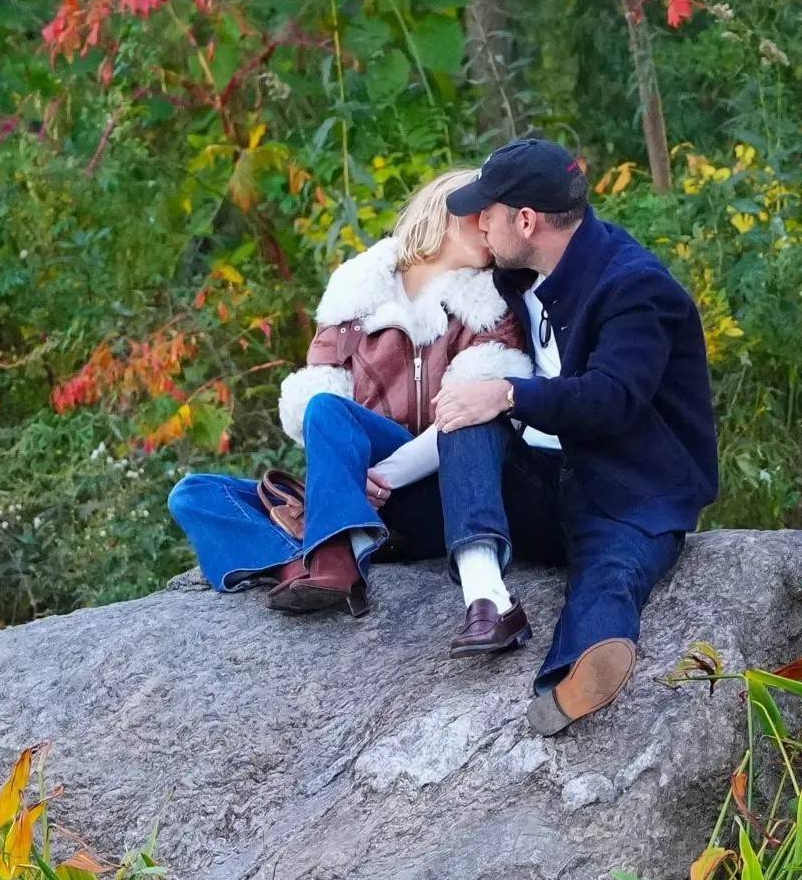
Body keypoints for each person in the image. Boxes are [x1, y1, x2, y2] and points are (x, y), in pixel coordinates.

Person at [428, 137, 719, 735]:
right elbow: (415, 270)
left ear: (526, 221)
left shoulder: (635, 287)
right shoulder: (519, 274)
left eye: (488, 213)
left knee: (611, 576)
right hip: (548, 480)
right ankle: (487, 599)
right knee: (464, 412)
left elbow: (612, 398)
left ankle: (573, 680)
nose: (479, 226)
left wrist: (510, 394)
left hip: (631, 493)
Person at [168, 169, 537, 631]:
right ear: (442, 215)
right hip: (357, 497)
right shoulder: (353, 299)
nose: (489, 225)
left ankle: (334, 556)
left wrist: (376, 477)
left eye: (495, 216)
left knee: (328, 409)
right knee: (194, 495)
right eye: (479, 213)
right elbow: (316, 411)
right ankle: (304, 566)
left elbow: (471, 418)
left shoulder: (492, 306)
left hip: (439, 489)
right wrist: (343, 482)